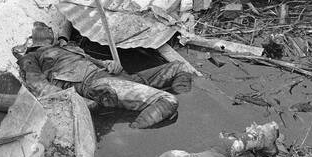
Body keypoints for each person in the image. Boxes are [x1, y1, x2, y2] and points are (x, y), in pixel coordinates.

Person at [14, 22, 193, 129]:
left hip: (116, 77)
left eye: (47, 27)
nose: (48, 30)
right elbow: (37, 84)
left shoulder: (68, 47)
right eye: (41, 29)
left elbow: (97, 61)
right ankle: (133, 134)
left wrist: (110, 64)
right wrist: (73, 100)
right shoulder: (32, 57)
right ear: (33, 40)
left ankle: (192, 104)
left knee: (179, 67)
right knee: (168, 101)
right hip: (97, 85)